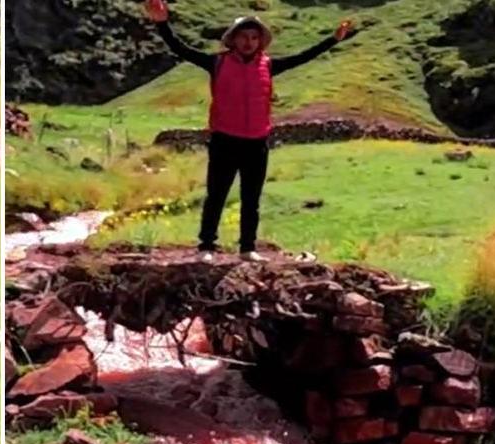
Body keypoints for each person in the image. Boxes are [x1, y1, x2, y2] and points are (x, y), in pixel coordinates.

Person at [144, 0, 358, 262]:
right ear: (232, 40)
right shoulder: (217, 63)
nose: (248, 42)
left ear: (260, 42)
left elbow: (303, 57)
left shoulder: (268, 66)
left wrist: (333, 40)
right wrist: (162, 23)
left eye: (254, 37)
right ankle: (206, 247)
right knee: (217, 195)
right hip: (225, 139)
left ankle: (248, 248)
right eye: (243, 37)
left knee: (251, 198)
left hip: (257, 142)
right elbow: (181, 48)